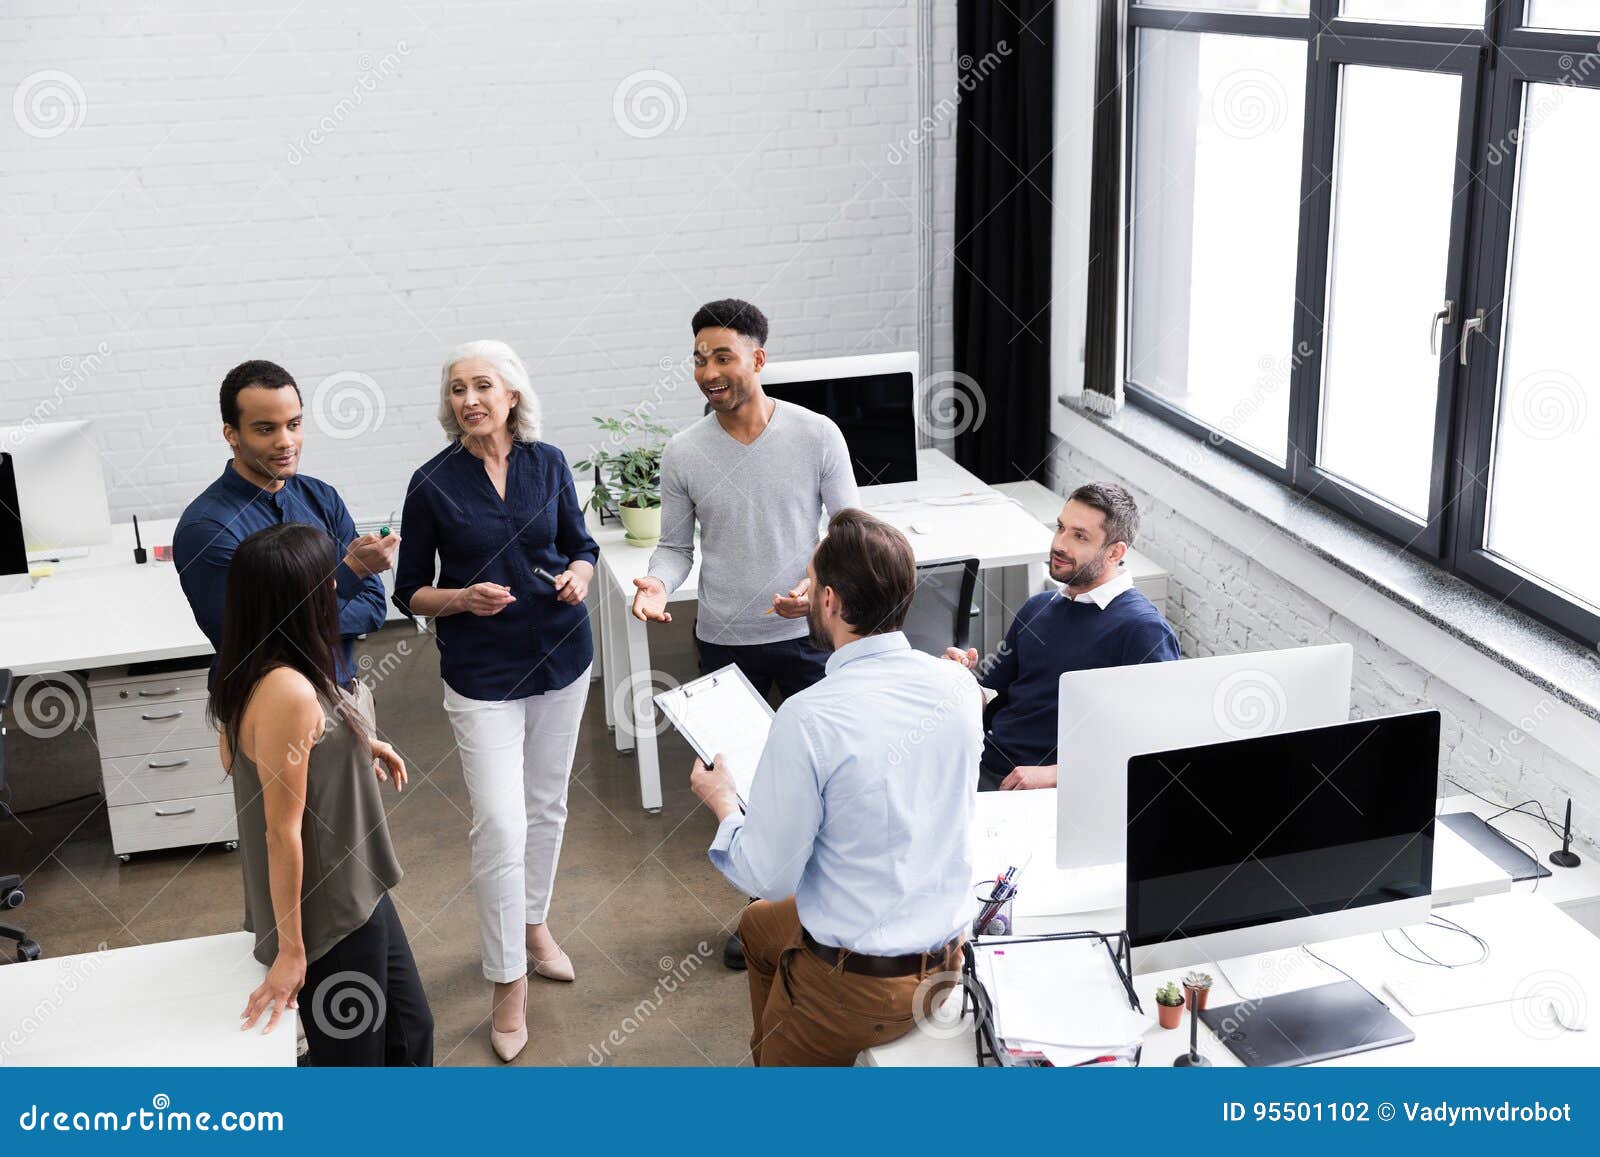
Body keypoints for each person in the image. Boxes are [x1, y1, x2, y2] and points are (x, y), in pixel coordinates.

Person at [690, 509, 982, 1066]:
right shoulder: (958, 686)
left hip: (863, 987)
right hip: (946, 958)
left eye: (813, 581)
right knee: (757, 928)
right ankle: (783, 1018)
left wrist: (725, 803)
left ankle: (792, 1044)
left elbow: (769, 876)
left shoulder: (807, 717)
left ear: (828, 602)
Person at [632, 298, 859, 969]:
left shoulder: (817, 435)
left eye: (722, 356)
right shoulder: (683, 452)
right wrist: (654, 581)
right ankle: (762, 913)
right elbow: (675, 548)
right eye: (699, 357)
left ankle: (829, 908)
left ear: (758, 359)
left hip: (810, 636)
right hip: (726, 640)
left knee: (825, 776)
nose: (708, 370)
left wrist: (814, 584)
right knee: (747, 785)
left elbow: (849, 530)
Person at [393, 340, 598, 1064]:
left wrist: (578, 571)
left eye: (483, 385)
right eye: (457, 388)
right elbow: (407, 588)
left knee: (547, 806)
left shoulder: (548, 462)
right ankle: (506, 981)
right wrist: (460, 598)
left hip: (563, 659)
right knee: (501, 826)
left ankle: (533, 923)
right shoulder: (432, 482)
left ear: (513, 394)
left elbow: (583, 544)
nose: (469, 398)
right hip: (481, 674)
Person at [210, 522, 431, 1066]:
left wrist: (361, 746)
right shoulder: (286, 689)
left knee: (409, 1030)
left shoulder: (260, 664)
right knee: (356, 1063)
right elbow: (280, 832)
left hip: (360, 883)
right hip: (328, 907)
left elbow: (289, 749)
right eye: (325, 581)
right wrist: (290, 952)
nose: (335, 587)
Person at [174, 360, 395, 688]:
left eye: (293, 424)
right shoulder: (207, 528)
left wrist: (293, 616)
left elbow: (374, 608)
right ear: (231, 434)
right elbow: (254, 641)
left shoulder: (321, 497)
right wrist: (348, 575)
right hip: (265, 709)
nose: (285, 441)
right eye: (266, 429)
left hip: (344, 694)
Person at [946, 482, 1179, 791]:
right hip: (983, 764)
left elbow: (1156, 746)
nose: (1060, 544)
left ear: (1115, 552)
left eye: (1079, 536)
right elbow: (992, 695)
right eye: (1061, 528)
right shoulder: (1039, 607)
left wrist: (1057, 775)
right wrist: (955, 680)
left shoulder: (1143, 631)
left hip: (1054, 791)